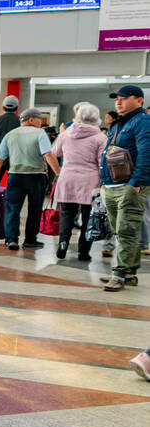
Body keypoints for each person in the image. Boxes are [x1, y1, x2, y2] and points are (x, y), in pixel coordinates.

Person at [98, 85, 150, 291]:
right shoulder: (119, 123)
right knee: (120, 232)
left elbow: (147, 152)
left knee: (126, 231)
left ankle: (118, 274)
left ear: (139, 100)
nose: (118, 102)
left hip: (130, 186)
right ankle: (130, 272)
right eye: (116, 99)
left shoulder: (143, 121)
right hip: (111, 185)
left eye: (124, 98)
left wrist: (136, 183)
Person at [0, 107, 61, 251]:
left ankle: (12, 239)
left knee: (12, 208)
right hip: (36, 177)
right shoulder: (40, 133)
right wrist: (59, 173)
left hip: (15, 176)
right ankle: (30, 240)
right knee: (34, 209)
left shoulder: (10, 134)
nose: (41, 122)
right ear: (31, 120)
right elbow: (48, 155)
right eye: (39, 119)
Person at [51, 102, 104, 262]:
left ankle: (63, 243)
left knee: (67, 214)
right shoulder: (100, 137)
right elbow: (103, 162)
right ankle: (83, 252)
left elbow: (55, 152)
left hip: (68, 178)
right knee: (89, 218)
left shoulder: (66, 134)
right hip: (91, 181)